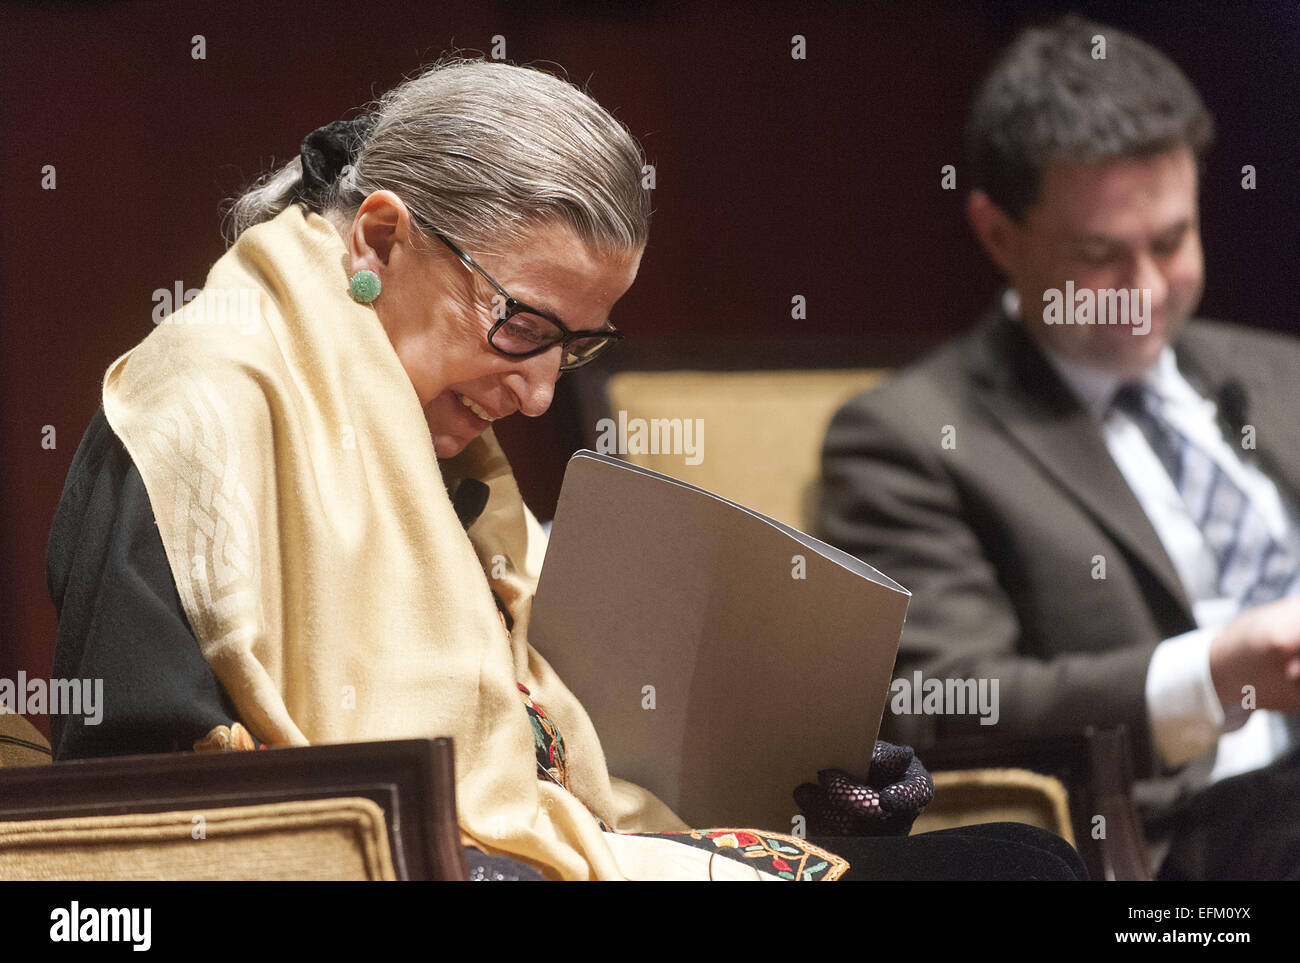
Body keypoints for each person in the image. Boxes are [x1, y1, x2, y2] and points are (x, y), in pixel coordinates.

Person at [46, 57, 1083, 880]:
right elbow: (134, 804)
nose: (540, 394)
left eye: (572, 346)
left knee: (1022, 857)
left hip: (549, 854)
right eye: (522, 325)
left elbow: (564, 742)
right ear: (381, 234)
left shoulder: (424, 439)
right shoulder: (200, 401)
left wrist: (800, 783)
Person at [819, 16, 1300, 880]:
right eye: (1100, 255)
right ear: (1000, 235)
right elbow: (930, 709)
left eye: (1171, 242)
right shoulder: (909, 438)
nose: (1146, 292)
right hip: (1185, 836)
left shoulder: (1278, 370)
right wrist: (1218, 671)